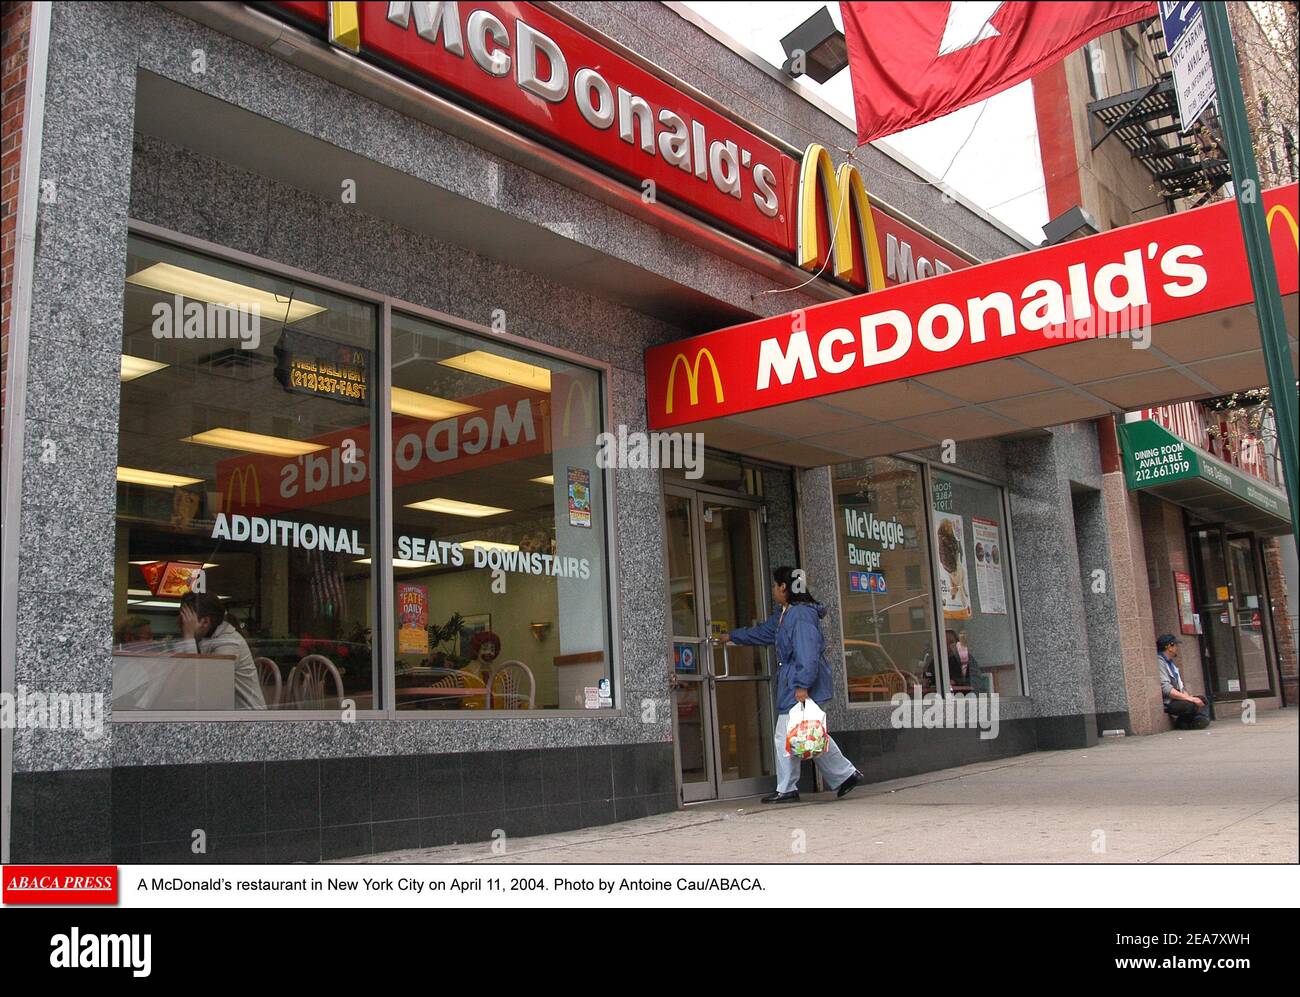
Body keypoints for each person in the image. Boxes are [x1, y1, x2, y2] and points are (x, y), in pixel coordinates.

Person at [724, 566, 864, 803]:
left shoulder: (798, 615)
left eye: (775, 585)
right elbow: (764, 633)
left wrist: (801, 685)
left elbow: (806, 652)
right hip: (798, 683)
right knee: (811, 733)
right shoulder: (787, 613)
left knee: (787, 734)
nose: (772, 590)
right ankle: (846, 775)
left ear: (784, 588)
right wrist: (733, 636)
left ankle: (788, 788)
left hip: (799, 685)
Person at [177, 592, 266, 710]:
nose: (181, 623)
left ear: (205, 622)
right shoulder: (209, 639)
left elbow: (203, 688)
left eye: (187, 619)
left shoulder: (229, 644)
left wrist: (188, 636)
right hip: (229, 715)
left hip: (248, 720)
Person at [1157, 634, 1209, 729]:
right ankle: (1187, 722)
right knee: (1190, 705)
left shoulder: (1170, 663)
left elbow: (1180, 686)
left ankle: (1196, 720)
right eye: (1175, 645)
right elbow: (1166, 688)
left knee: (1202, 699)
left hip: (1178, 698)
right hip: (1169, 702)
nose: (1177, 648)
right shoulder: (1160, 662)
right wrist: (1190, 699)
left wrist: (1189, 697)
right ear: (1169, 647)